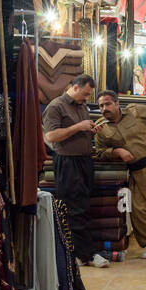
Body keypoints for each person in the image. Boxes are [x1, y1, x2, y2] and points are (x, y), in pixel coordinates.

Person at [94, 90, 146, 259]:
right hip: (138, 169)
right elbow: (100, 152)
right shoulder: (101, 128)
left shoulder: (134, 111)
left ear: (117, 104)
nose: (105, 108)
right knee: (139, 209)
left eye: (108, 104)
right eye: (101, 105)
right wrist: (116, 151)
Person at [42, 75, 108, 269]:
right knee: (74, 208)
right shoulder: (56, 107)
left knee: (84, 205)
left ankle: (81, 252)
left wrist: (90, 130)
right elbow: (51, 135)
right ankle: (85, 254)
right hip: (68, 162)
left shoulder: (82, 106)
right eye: (86, 93)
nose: (87, 98)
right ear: (75, 87)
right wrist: (79, 126)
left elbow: (77, 131)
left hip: (84, 161)